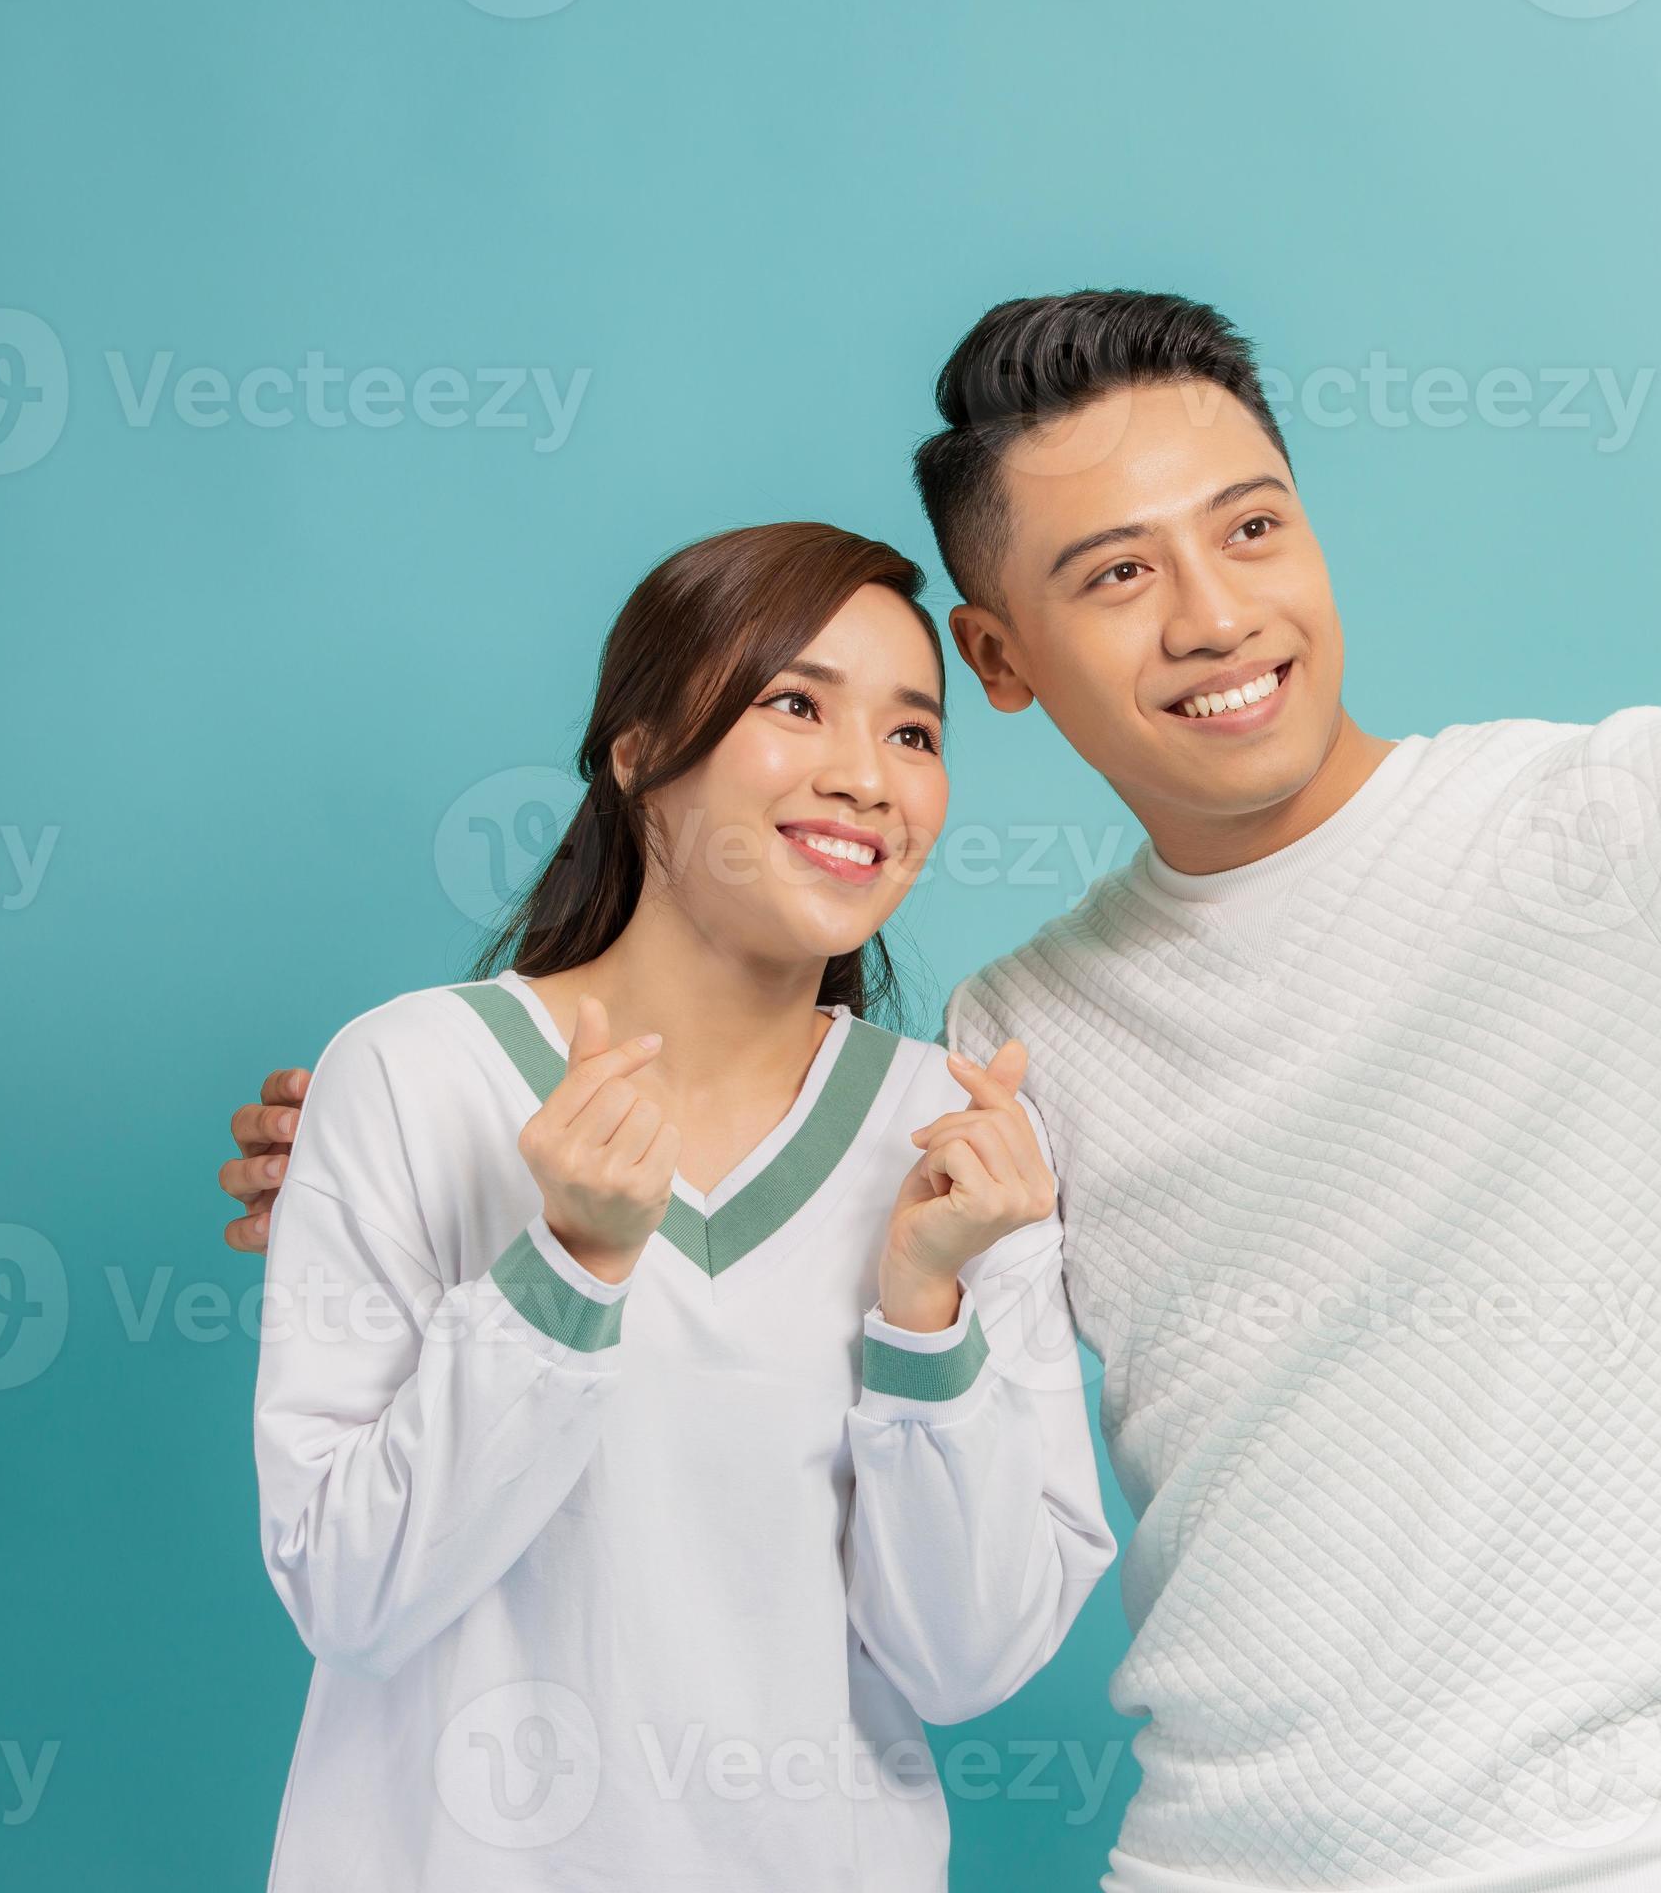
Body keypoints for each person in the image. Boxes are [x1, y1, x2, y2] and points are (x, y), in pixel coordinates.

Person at [227, 141, 1661, 1890]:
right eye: (1116, 574)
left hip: (1654, 1846)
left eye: (1250, 525)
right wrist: (399, 1161)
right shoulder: (1017, 1033)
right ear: (1005, 661)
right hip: (1218, 1858)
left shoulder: (1621, 839)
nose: (1212, 615)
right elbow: (799, 1300)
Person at [248, 522, 1115, 1892]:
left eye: (913, 735)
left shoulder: (954, 1145)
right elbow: (352, 1597)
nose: (864, 778)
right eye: (794, 705)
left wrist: (926, 1315)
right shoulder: (411, 1076)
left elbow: (966, 1665)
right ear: (638, 748)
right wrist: (571, 1267)